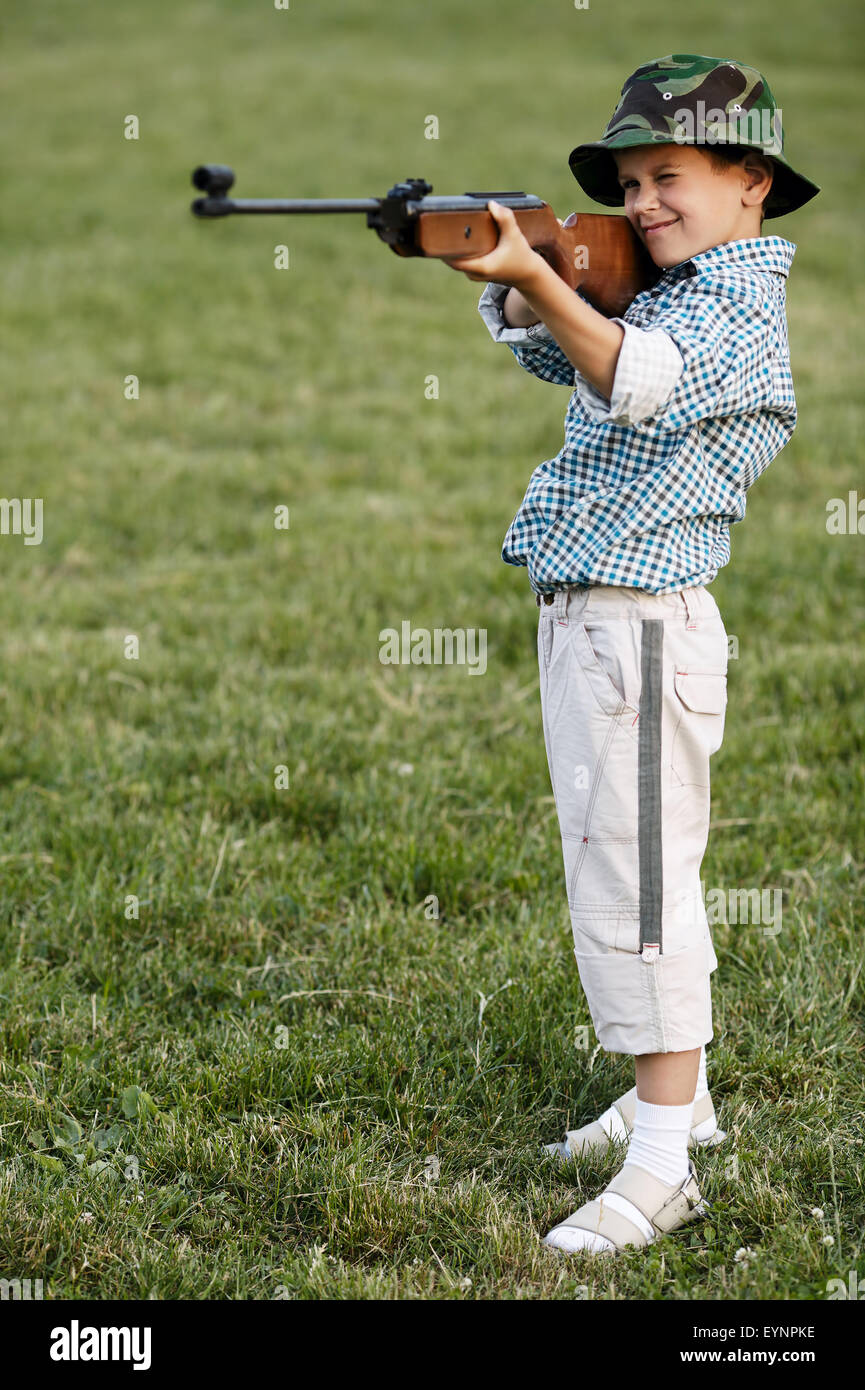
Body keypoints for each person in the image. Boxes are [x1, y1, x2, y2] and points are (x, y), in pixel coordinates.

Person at [443, 53, 819, 1255]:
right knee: (616, 867)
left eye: (670, 176)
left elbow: (628, 372)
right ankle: (681, 1102)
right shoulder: (662, 285)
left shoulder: (733, 311)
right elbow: (560, 352)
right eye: (628, 180)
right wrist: (515, 278)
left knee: (642, 893)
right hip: (590, 624)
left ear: (750, 180)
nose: (644, 201)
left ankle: (663, 1167)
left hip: (643, 631)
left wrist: (537, 285)